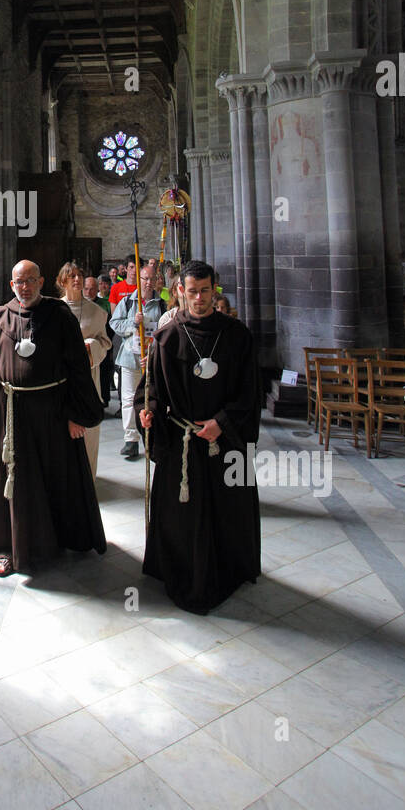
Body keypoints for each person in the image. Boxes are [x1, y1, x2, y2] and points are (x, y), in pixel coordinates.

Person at [137, 259, 261, 614]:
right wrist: (146, 413)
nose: (199, 298)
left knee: (227, 511)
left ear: (214, 289)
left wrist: (222, 423)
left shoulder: (237, 336)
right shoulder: (166, 337)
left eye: (205, 291)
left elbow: (248, 393)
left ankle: (230, 567)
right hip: (182, 441)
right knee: (182, 514)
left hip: (224, 442)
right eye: (192, 291)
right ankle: (178, 567)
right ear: (180, 291)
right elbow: (152, 390)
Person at [0, 260, 106, 577]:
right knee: (9, 481)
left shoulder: (59, 317)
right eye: (20, 281)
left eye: (32, 280)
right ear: (11, 285)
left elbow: (78, 368)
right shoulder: (0, 318)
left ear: (42, 281)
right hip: (11, 416)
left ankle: (58, 541)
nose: (26, 286)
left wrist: (77, 415)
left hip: (53, 416)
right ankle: (7, 550)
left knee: (54, 478)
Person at [58, 263, 111, 477]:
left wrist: (91, 347)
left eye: (80, 275)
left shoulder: (97, 312)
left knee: (87, 433)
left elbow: (105, 343)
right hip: (60, 378)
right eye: (72, 276)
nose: (77, 279)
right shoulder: (53, 309)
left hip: (88, 377)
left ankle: (88, 478)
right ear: (63, 281)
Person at [111, 263, 165, 460]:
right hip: (130, 357)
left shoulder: (162, 304)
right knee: (129, 399)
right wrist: (133, 322)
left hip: (152, 358)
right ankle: (131, 439)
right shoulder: (128, 302)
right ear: (139, 280)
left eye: (152, 279)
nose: (149, 282)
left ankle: (151, 436)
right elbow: (115, 323)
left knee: (151, 398)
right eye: (145, 279)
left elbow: (166, 329)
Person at [94, 276, 115, 407]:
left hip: (104, 340)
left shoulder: (105, 304)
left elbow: (110, 325)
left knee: (104, 373)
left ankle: (104, 399)